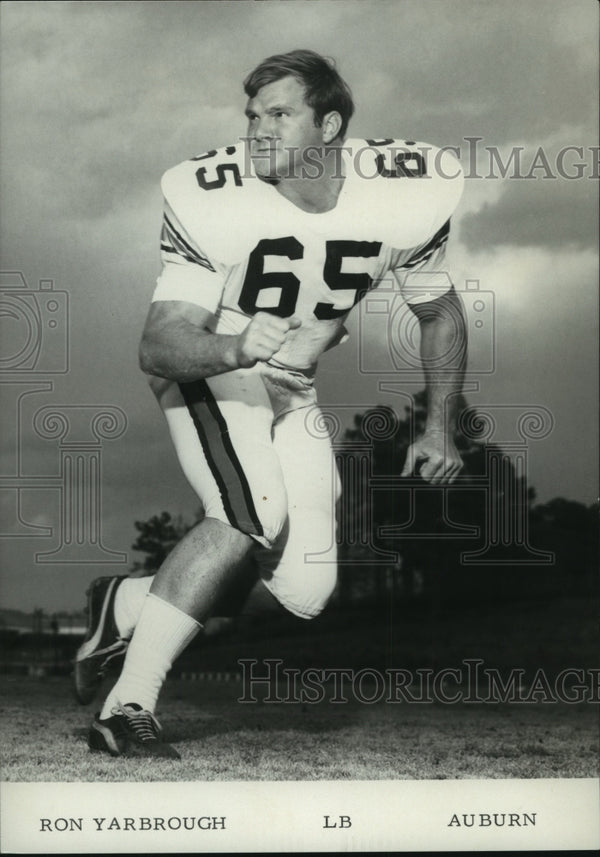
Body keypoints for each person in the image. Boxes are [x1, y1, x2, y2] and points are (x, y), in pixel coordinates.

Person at [75, 49, 467, 759]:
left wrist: (440, 424)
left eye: (279, 115)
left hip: (291, 385)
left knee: (310, 587)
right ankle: (126, 705)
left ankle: (130, 603)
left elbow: (440, 312)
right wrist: (233, 348)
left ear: (330, 125)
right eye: (252, 115)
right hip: (212, 364)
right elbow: (158, 345)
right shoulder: (213, 194)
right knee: (252, 510)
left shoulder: (405, 193)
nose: (258, 130)